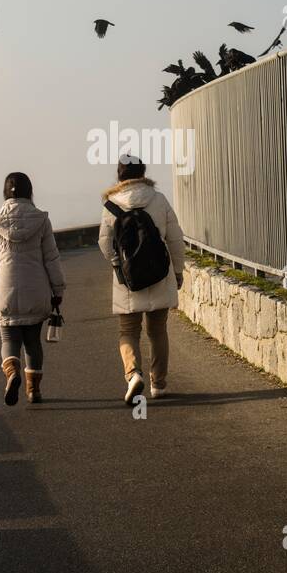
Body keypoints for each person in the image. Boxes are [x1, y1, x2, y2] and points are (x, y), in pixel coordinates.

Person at [98, 157, 185, 404]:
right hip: (159, 273)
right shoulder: (158, 200)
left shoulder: (111, 204)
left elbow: (104, 242)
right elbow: (176, 238)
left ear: (119, 175)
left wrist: (119, 265)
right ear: (143, 173)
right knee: (158, 330)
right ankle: (158, 383)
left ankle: (133, 374)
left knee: (128, 331)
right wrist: (177, 270)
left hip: (129, 281)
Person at [0, 172, 66, 406]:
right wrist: (58, 289)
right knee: (33, 341)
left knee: (8, 339)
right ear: (30, 192)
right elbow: (51, 258)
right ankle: (33, 390)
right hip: (36, 289)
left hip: (3, 289)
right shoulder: (41, 220)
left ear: (5, 193)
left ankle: (12, 371)